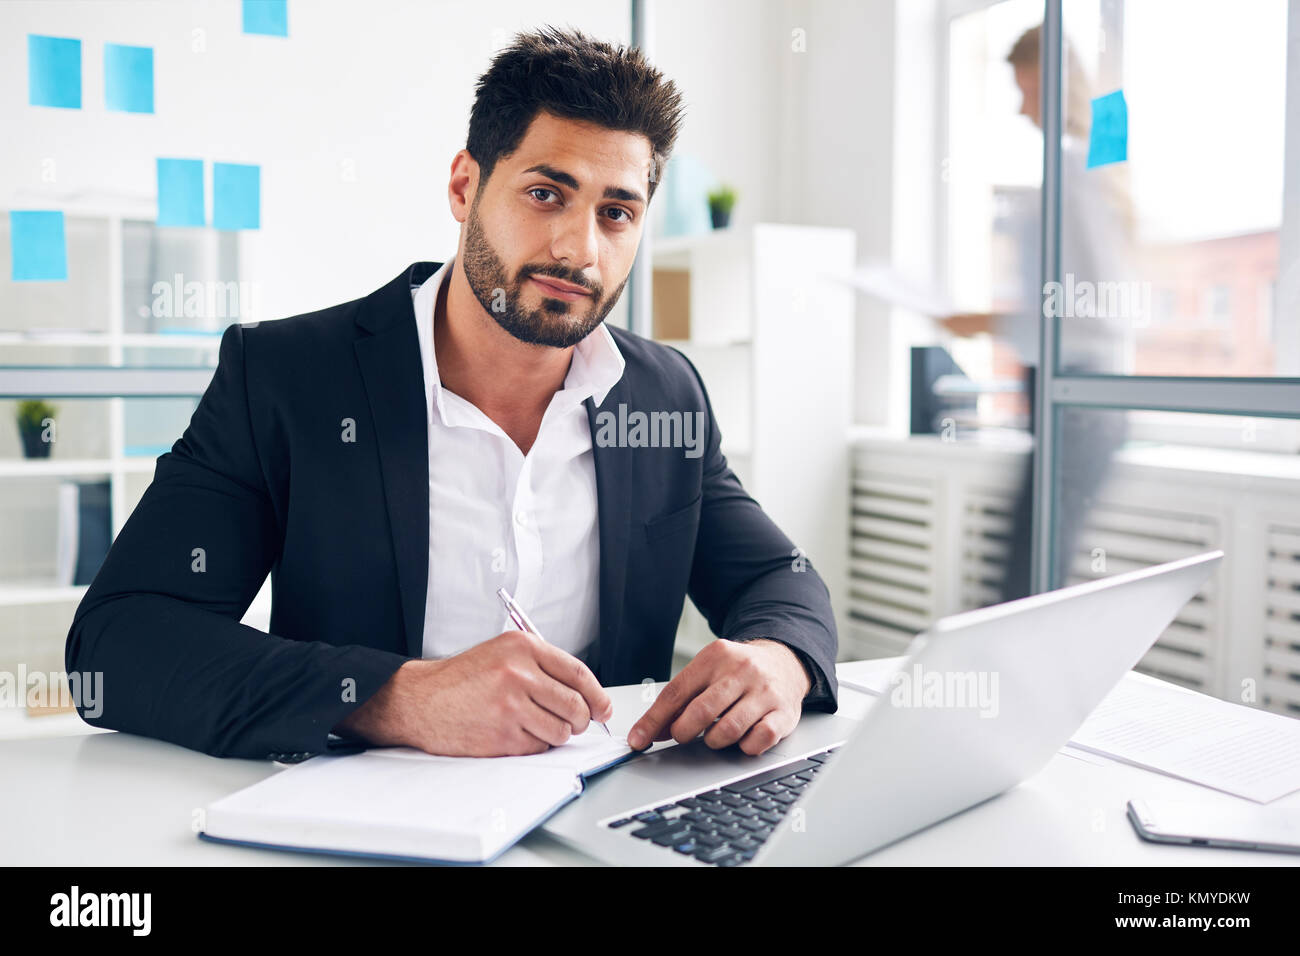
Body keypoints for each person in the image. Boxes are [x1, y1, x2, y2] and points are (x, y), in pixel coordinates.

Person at [65, 26, 838, 761]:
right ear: (465, 187)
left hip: (601, 822)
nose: (579, 249)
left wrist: (779, 658)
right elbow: (122, 638)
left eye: (616, 213)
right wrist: (398, 699)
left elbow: (779, 576)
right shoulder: (286, 376)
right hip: (359, 824)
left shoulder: (663, 397)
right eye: (546, 194)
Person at [941, 24, 1133, 602]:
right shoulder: (1078, 169)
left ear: (1056, 84)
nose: (1024, 111)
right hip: (1066, 396)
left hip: (1080, 395)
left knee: (1026, 583)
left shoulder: (1078, 174)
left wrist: (986, 323)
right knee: (1028, 576)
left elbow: (1094, 308)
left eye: (1027, 91)